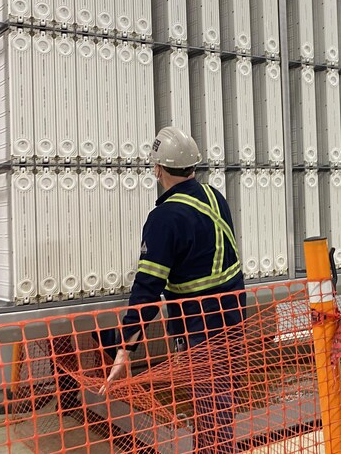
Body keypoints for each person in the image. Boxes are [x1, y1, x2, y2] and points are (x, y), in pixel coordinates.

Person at [99, 126, 245, 453]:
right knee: (218, 406)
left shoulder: (165, 217)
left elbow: (147, 290)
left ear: (158, 169)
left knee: (211, 412)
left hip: (201, 331)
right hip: (234, 322)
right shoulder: (214, 197)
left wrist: (126, 346)